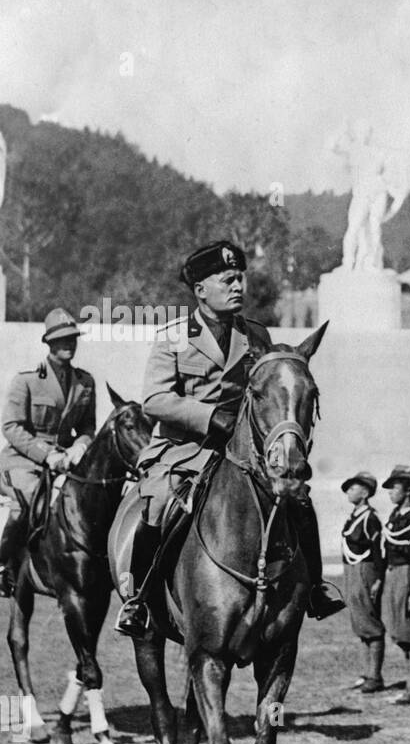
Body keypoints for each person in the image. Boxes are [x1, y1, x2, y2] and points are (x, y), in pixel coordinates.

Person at [115, 240, 343, 637]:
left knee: (297, 500)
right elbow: (155, 399)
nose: (238, 286)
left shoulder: (257, 335)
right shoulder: (173, 337)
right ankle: (140, 599)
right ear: (201, 290)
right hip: (182, 452)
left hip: (241, 451)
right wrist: (208, 417)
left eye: (240, 278)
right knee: (158, 504)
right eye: (227, 280)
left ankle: (315, 590)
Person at [0, 309, 97, 597]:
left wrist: (81, 446)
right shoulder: (26, 380)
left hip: (66, 459)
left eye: (73, 338)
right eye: (62, 339)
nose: (69, 344)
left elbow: (88, 425)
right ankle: (4, 569)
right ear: (49, 344)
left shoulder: (85, 381)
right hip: (25, 460)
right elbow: (11, 426)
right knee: (25, 505)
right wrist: (46, 454)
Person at [380, 464, 410, 704]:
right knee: (398, 629)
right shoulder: (394, 518)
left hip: (408, 575)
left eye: (394, 488)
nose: (390, 493)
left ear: (408, 490)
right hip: (393, 574)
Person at [340, 470, 386, 691]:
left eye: (353, 487)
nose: (349, 491)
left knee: (370, 623)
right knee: (360, 623)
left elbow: (378, 550)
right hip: (351, 570)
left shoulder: (370, 518)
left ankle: (375, 676)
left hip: (366, 571)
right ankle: (366, 673)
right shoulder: (354, 516)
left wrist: (378, 579)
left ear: (365, 492)